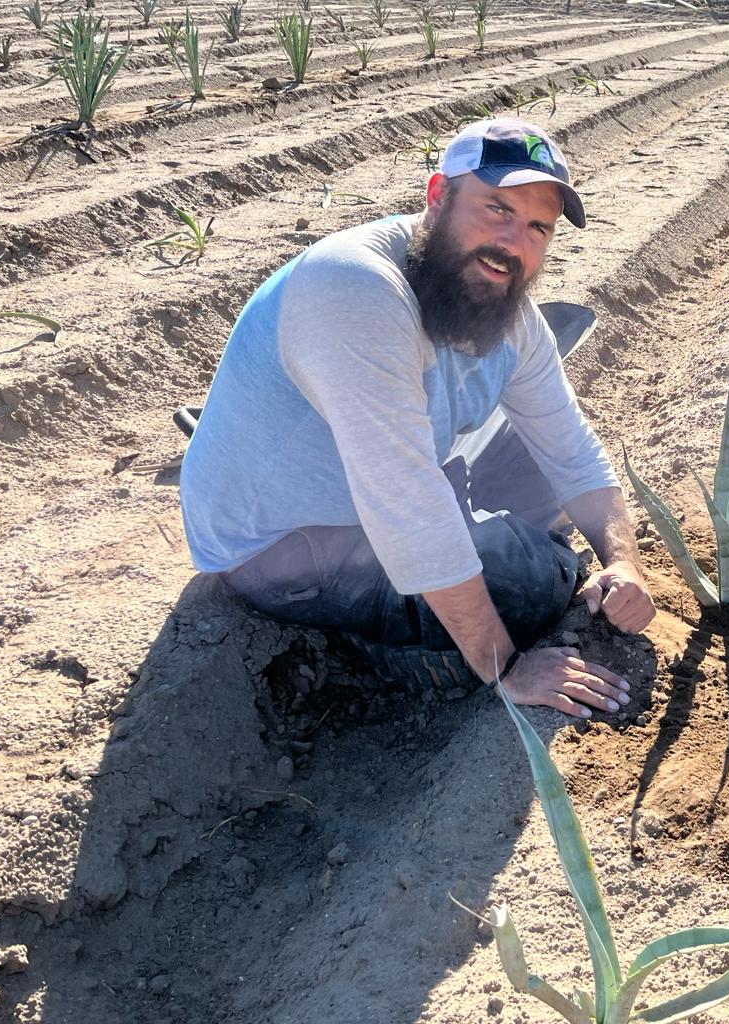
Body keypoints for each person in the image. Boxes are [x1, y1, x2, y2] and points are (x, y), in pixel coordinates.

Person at [178, 119, 654, 719]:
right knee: (528, 586)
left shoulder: (507, 309)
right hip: (283, 544)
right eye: (496, 208)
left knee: (541, 473)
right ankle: (393, 656)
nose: (513, 242)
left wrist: (622, 559)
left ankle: (476, 565)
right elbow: (405, 502)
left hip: (384, 487)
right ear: (437, 197)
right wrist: (505, 666)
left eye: (538, 227)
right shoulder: (354, 286)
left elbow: (570, 448)